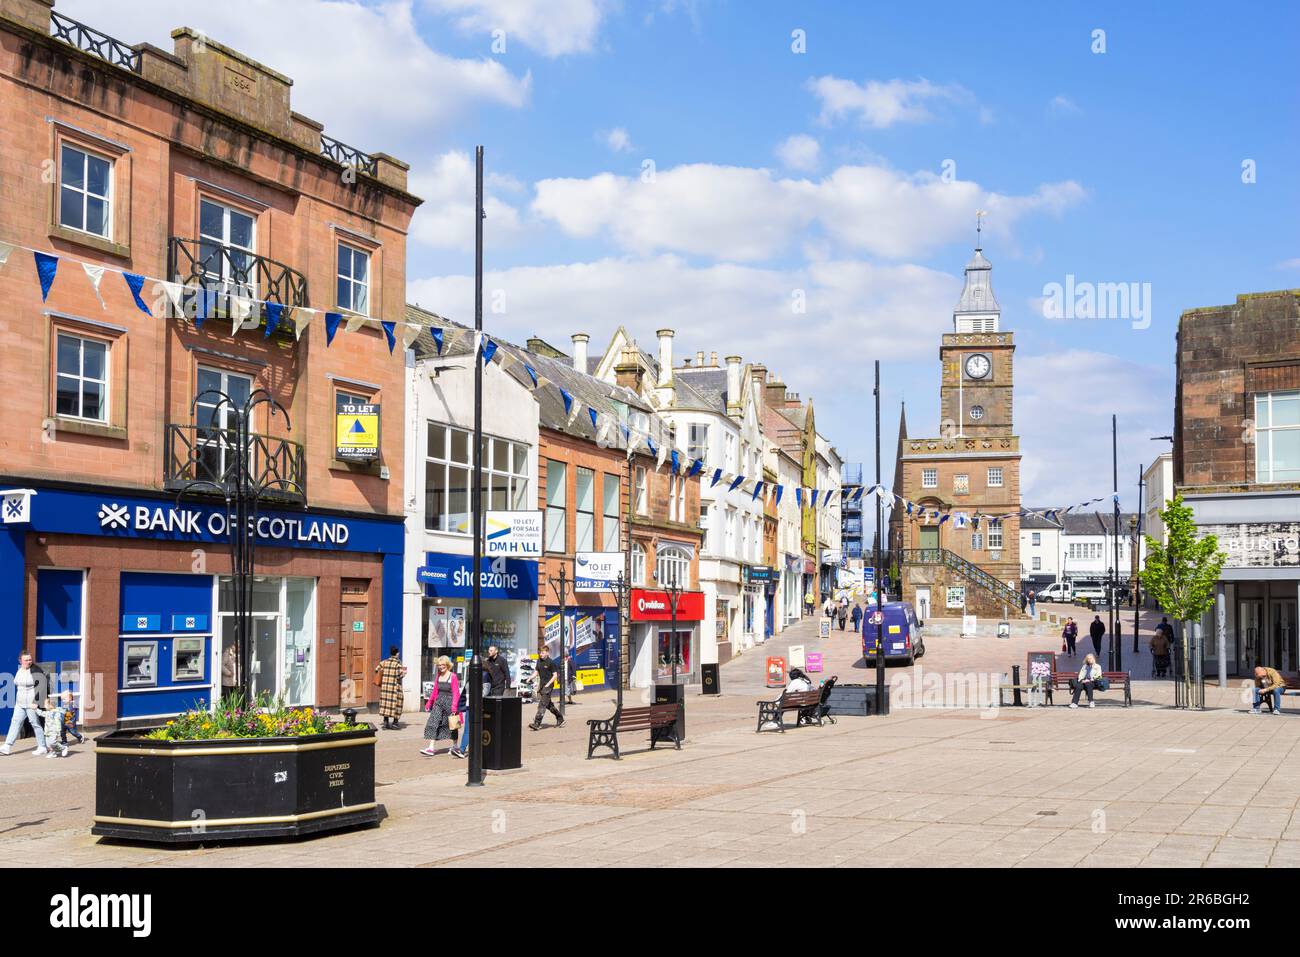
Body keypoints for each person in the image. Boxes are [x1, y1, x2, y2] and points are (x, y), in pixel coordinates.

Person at [2, 653, 47, 755]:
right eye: (26, 660)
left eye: (30, 660)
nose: (29, 662)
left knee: (35, 724)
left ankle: (42, 746)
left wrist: (37, 702)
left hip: (31, 703)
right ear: (20, 661)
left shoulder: (36, 670)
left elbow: (43, 686)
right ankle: (7, 746)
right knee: (15, 722)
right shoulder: (20, 670)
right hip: (20, 703)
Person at [420, 656, 460, 756]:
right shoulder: (438, 676)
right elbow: (435, 691)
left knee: (453, 725)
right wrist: (429, 702)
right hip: (438, 702)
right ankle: (431, 747)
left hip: (450, 703)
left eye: (443, 665)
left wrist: (454, 706)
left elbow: (456, 692)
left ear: (447, 665)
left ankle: (455, 746)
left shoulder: (453, 676)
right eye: (439, 665)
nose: (441, 667)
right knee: (433, 722)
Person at [528, 646, 563, 730]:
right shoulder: (539, 661)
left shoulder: (551, 663)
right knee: (548, 705)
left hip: (548, 686)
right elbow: (536, 672)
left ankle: (537, 723)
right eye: (540, 653)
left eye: (543, 653)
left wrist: (548, 684)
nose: (541, 654)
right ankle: (560, 718)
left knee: (542, 705)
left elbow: (555, 676)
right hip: (542, 686)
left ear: (547, 653)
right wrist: (530, 678)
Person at [373, 646, 406, 730]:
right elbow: (399, 676)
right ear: (397, 653)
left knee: (385, 704)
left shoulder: (384, 662)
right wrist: (404, 672)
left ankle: (386, 722)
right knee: (398, 703)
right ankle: (395, 723)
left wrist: (384, 676)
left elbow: (376, 669)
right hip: (395, 688)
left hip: (385, 688)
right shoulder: (398, 664)